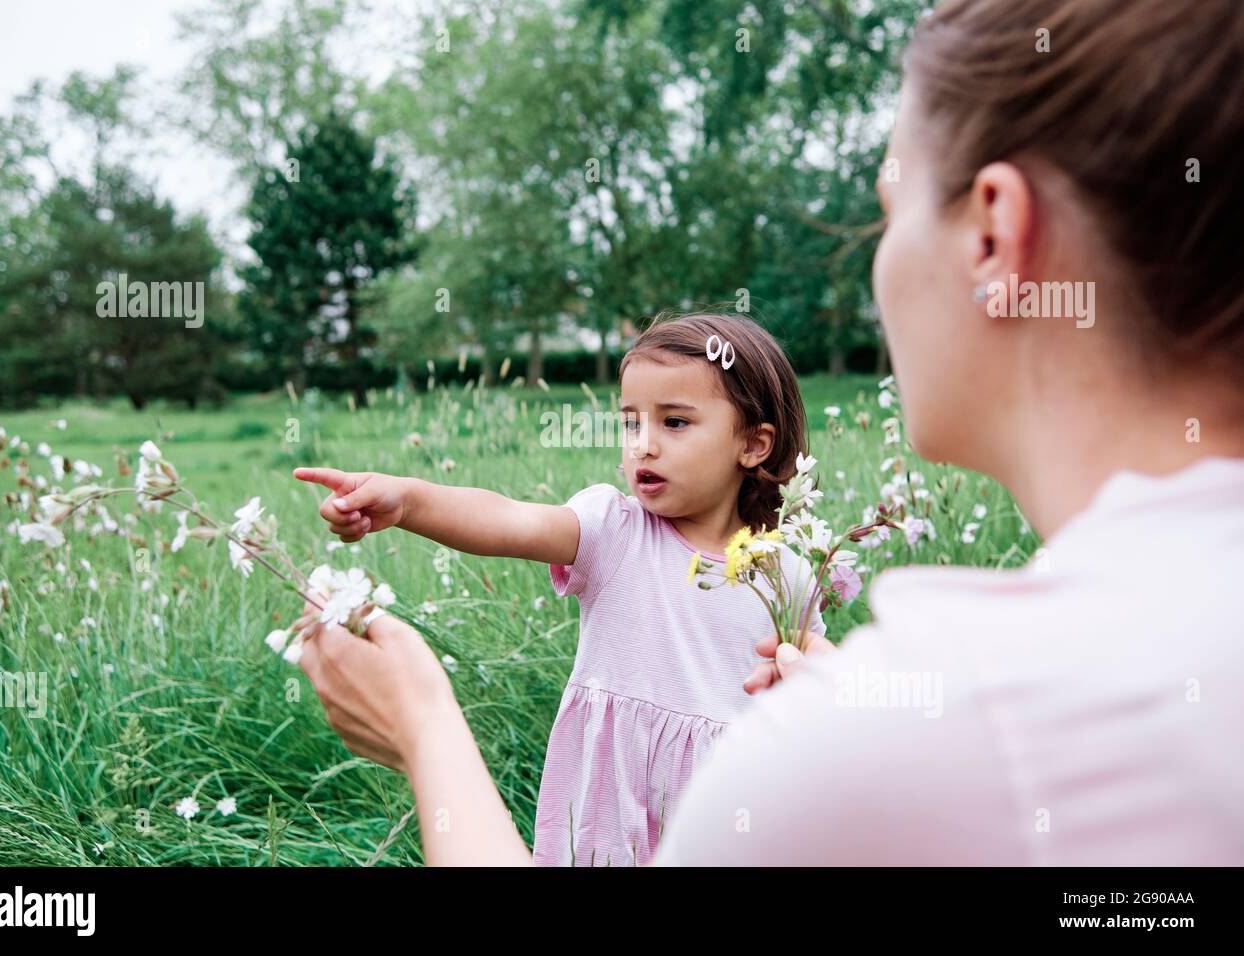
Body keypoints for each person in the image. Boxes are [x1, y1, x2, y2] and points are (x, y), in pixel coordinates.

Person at [299, 0, 1244, 864]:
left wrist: (426, 730)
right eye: (634, 422)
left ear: (993, 234)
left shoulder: (918, 715)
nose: (644, 444)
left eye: (886, 211)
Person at [295, 313, 831, 865]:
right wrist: (409, 501)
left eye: (674, 423)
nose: (642, 446)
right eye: (631, 423)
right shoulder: (615, 531)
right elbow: (508, 520)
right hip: (607, 811)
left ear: (753, 443)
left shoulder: (786, 573)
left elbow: (805, 706)